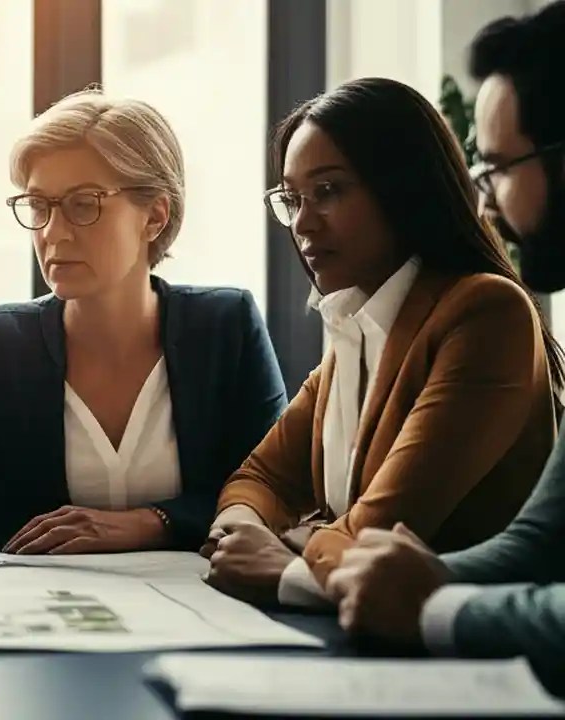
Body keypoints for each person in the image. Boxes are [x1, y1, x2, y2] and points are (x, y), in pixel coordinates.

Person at [0, 89, 288, 564]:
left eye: (82, 204)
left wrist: (146, 523)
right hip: (38, 612)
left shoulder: (226, 328)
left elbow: (272, 494)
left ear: (154, 215)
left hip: (202, 606)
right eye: (38, 206)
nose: (52, 232)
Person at [203, 76, 562, 609]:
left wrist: (283, 560)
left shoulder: (485, 313)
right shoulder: (356, 324)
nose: (301, 222)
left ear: (403, 189)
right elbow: (258, 477)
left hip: (457, 652)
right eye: (292, 198)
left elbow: (380, 532)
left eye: (327, 191)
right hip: (358, 635)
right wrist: (241, 534)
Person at [329, 2, 565, 696]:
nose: (486, 202)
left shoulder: (482, 311)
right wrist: (393, 574)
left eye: (496, 168)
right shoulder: (351, 329)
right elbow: (542, 542)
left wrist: (436, 606)